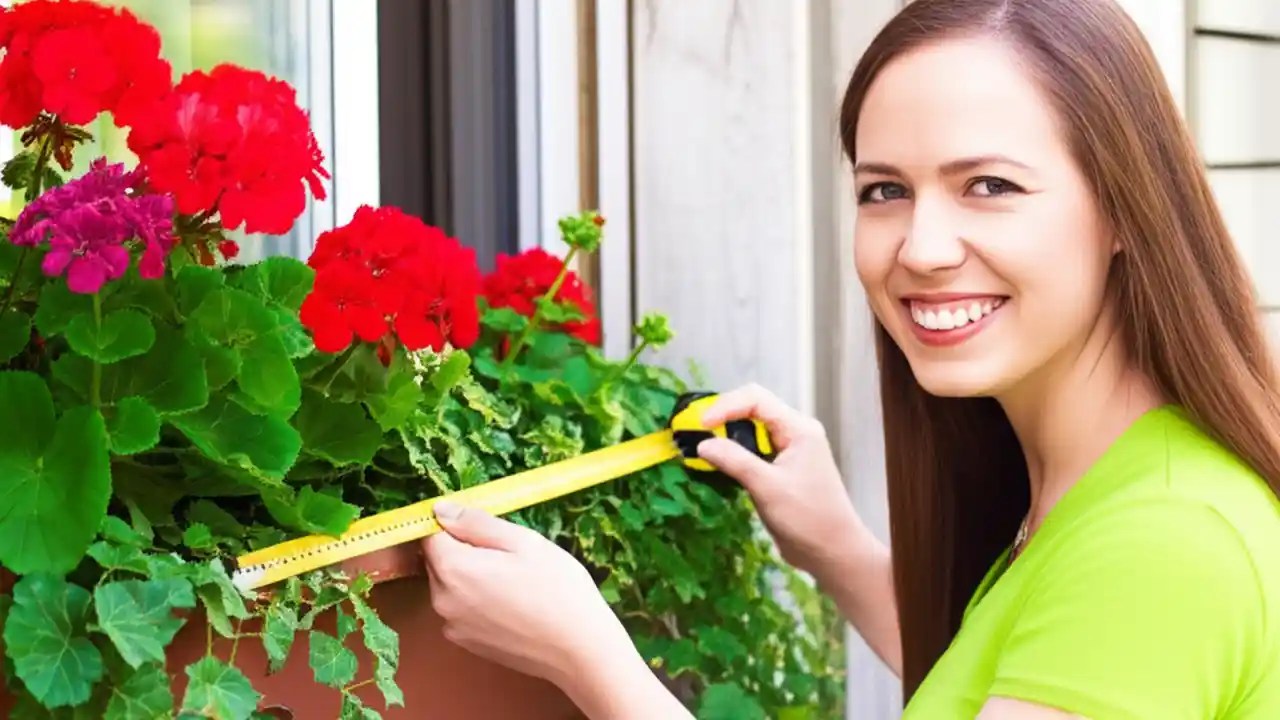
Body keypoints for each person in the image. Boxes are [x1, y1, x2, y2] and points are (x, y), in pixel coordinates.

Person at [420, 0, 1280, 717]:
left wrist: (589, 661)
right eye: (885, 190)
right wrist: (838, 549)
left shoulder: (1164, 541)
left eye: (990, 185)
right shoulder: (1102, 496)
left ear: (1125, 209)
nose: (923, 246)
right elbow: (1006, 679)